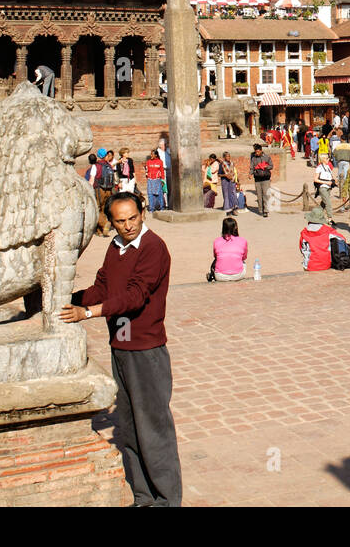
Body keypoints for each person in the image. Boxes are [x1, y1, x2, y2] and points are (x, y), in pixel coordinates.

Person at [61, 191, 181, 506]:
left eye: (133, 217)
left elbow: (134, 296)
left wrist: (87, 314)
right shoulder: (116, 248)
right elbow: (103, 287)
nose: (128, 225)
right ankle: (144, 497)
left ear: (142, 213)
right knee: (128, 429)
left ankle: (167, 500)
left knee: (154, 430)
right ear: (111, 222)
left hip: (146, 350)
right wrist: (68, 300)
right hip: (121, 347)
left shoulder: (153, 248)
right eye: (120, 220)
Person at [210, 216, 249, 280]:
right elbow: (244, 257)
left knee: (217, 261)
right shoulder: (243, 241)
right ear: (235, 228)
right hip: (238, 275)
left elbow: (215, 256)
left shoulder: (216, 241)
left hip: (220, 276)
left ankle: (212, 276)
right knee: (243, 262)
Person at [93, 148, 115, 236]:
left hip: (99, 189)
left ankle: (104, 224)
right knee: (104, 208)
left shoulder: (96, 165)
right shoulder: (109, 165)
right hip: (108, 190)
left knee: (98, 208)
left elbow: (92, 178)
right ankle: (99, 230)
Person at [249, 143, 273, 217]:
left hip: (266, 178)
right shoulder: (253, 158)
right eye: (256, 152)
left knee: (265, 195)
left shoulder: (267, 157)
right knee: (259, 195)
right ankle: (260, 209)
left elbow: (271, 166)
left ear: (261, 151)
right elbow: (252, 167)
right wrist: (250, 174)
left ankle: (266, 210)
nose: (257, 153)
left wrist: (266, 166)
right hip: (257, 178)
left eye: (258, 152)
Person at [314, 154, 335, 223]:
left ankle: (315, 215)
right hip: (322, 187)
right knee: (328, 202)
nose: (328, 159)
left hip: (328, 187)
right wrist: (326, 182)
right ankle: (330, 218)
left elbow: (331, 176)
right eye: (326, 158)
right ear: (322, 160)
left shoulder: (328, 167)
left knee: (323, 203)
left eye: (328, 158)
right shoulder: (319, 168)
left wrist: (333, 181)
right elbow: (315, 179)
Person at [219, 151, 240, 216]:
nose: (228, 157)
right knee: (226, 195)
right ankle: (228, 211)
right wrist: (225, 175)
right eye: (227, 156)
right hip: (225, 181)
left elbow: (234, 172)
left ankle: (234, 209)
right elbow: (219, 174)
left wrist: (236, 179)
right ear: (224, 157)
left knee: (233, 194)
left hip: (232, 181)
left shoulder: (232, 164)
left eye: (229, 156)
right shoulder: (222, 164)